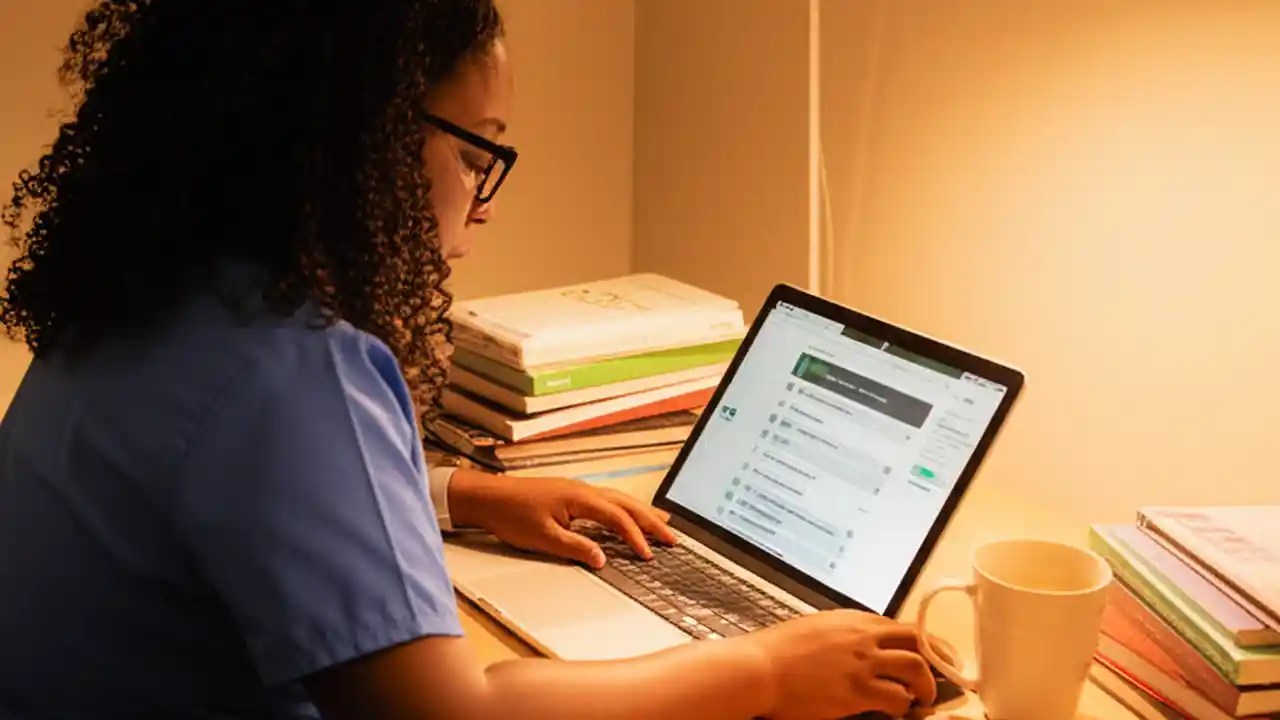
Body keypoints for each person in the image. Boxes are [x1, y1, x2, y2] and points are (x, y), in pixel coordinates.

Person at [0, 2, 939, 719]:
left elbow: (231, 493)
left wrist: (461, 495)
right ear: (358, 135)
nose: (484, 201)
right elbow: (455, 715)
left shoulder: (152, 300)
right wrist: (767, 667)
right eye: (476, 153)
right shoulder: (295, 369)